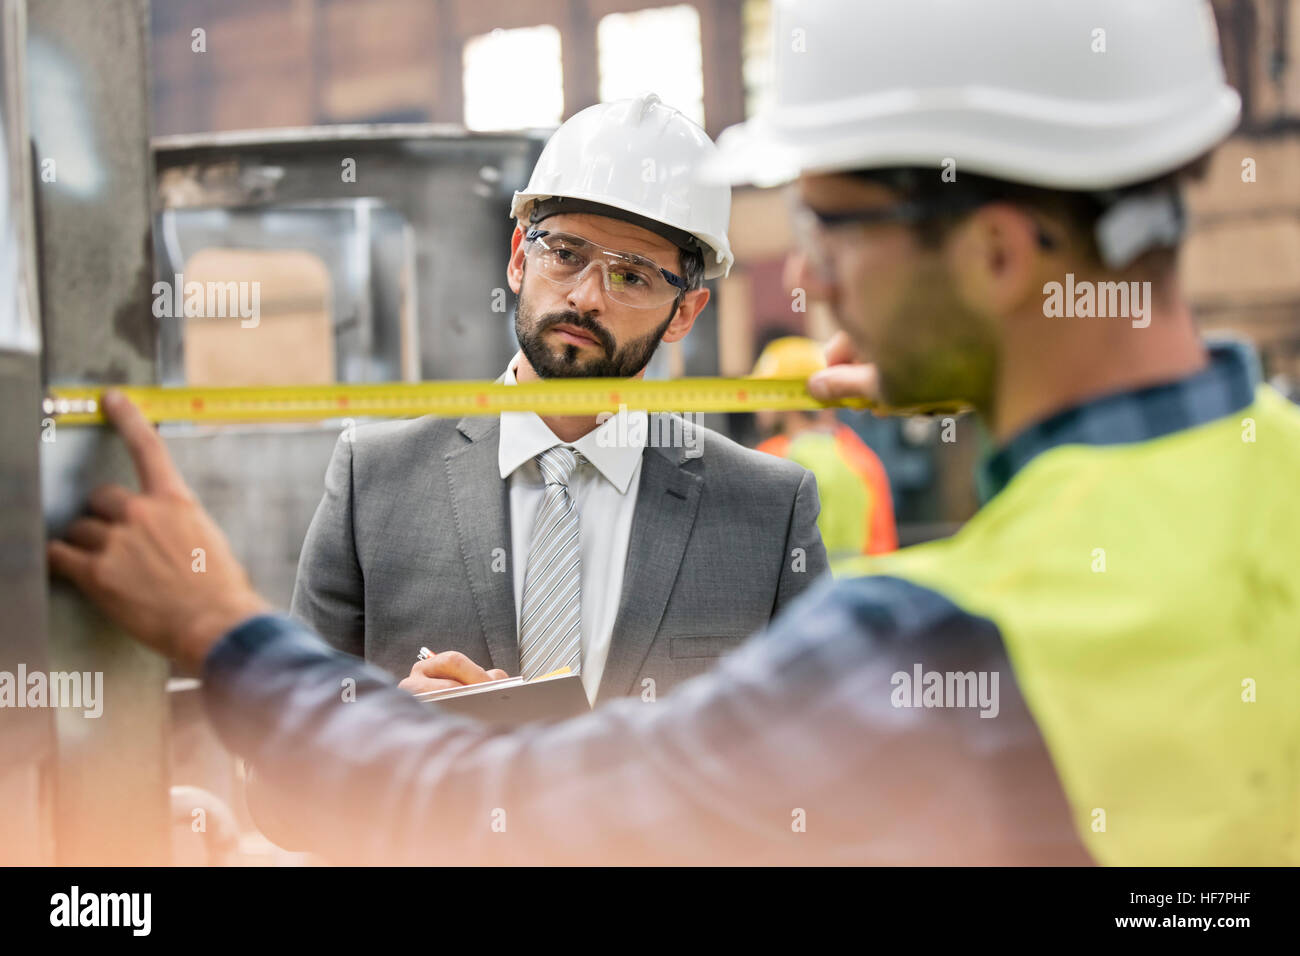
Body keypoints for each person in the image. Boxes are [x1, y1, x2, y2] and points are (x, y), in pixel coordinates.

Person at [50, 0, 1295, 865]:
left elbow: (503, 810)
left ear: (996, 250)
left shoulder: (930, 637)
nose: (817, 285)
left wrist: (218, 627)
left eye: (832, 227)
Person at [291, 92, 827, 706]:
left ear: (684, 312)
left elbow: (823, 767)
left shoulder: (767, 511)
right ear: (520, 258)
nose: (586, 296)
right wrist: (385, 733)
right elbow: (278, 755)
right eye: (565, 255)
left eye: (631, 275)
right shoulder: (374, 482)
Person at [752, 335, 897, 563]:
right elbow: (883, 552)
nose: (754, 404)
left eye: (761, 391)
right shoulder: (863, 459)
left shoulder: (769, 459)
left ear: (787, 395)